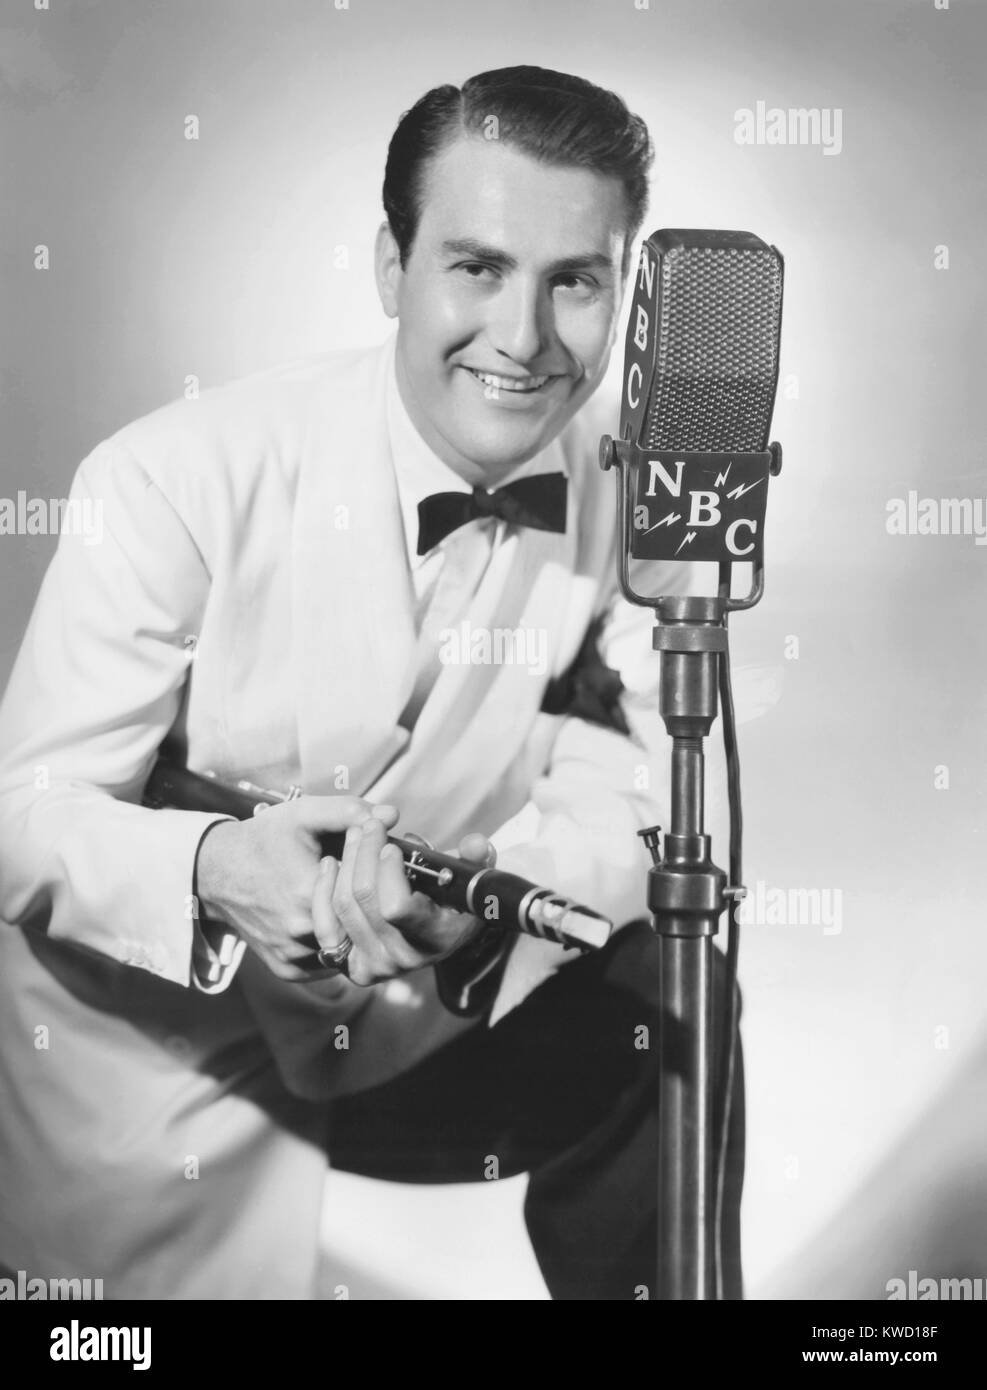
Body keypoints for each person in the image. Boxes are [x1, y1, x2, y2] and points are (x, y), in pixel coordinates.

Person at [0, 65, 743, 1300]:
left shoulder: (630, 484)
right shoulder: (170, 478)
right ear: (391, 266)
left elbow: (631, 783)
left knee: (676, 986)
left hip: (415, 1019)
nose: (523, 338)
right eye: (479, 267)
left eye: (576, 281)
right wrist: (211, 876)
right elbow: (21, 819)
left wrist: (497, 904)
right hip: (163, 1050)